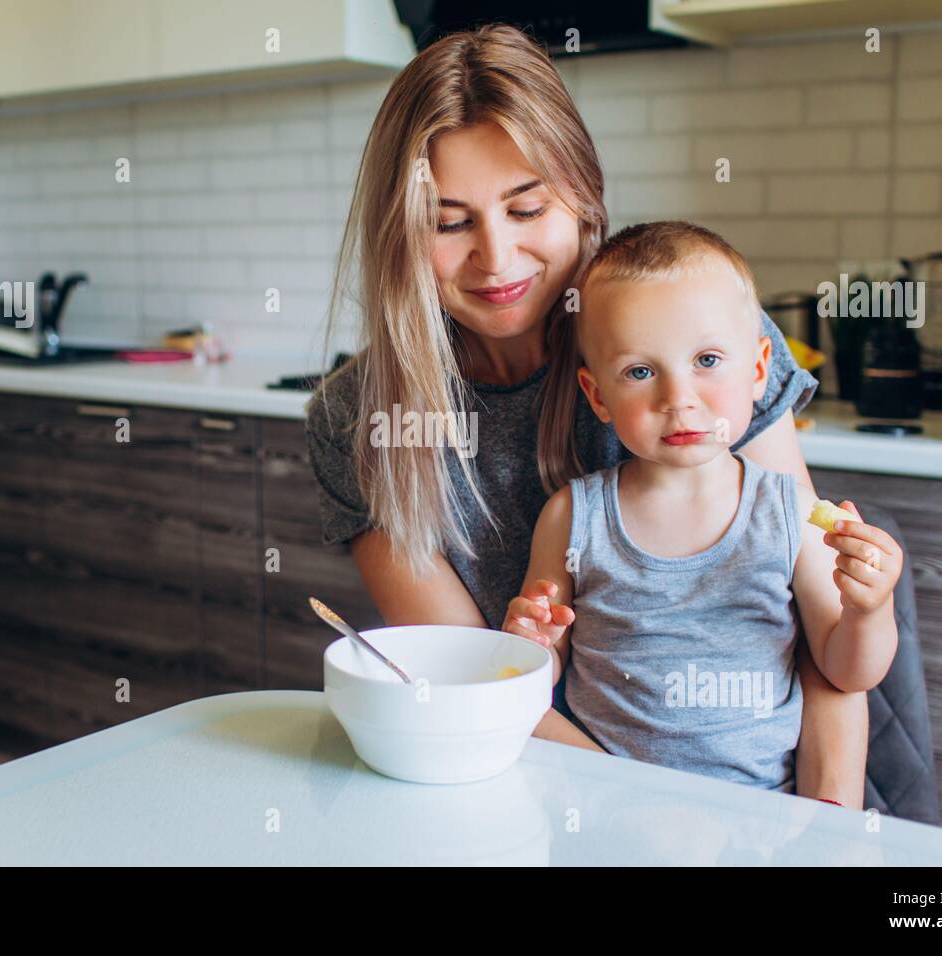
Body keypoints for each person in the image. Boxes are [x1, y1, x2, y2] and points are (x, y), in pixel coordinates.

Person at [306, 24, 870, 807]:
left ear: (581, 194)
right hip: (557, 800)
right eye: (450, 221)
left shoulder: (697, 335)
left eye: (526, 207)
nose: (496, 258)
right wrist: (665, 822)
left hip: (779, 795)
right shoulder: (356, 420)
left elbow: (817, 639)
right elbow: (487, 690)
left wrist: (826, 833)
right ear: (403, 232)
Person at [501, 221, 902, 792]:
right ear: (598, 396)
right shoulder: (572, 519)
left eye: (707, 360)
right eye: (640, 372)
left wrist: (868, 611)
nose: (678, 399)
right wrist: (527, 648)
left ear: (760, 369)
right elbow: (538, 677)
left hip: (760, 827)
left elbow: (846, 672)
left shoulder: (792, 513)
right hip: (608, 819)